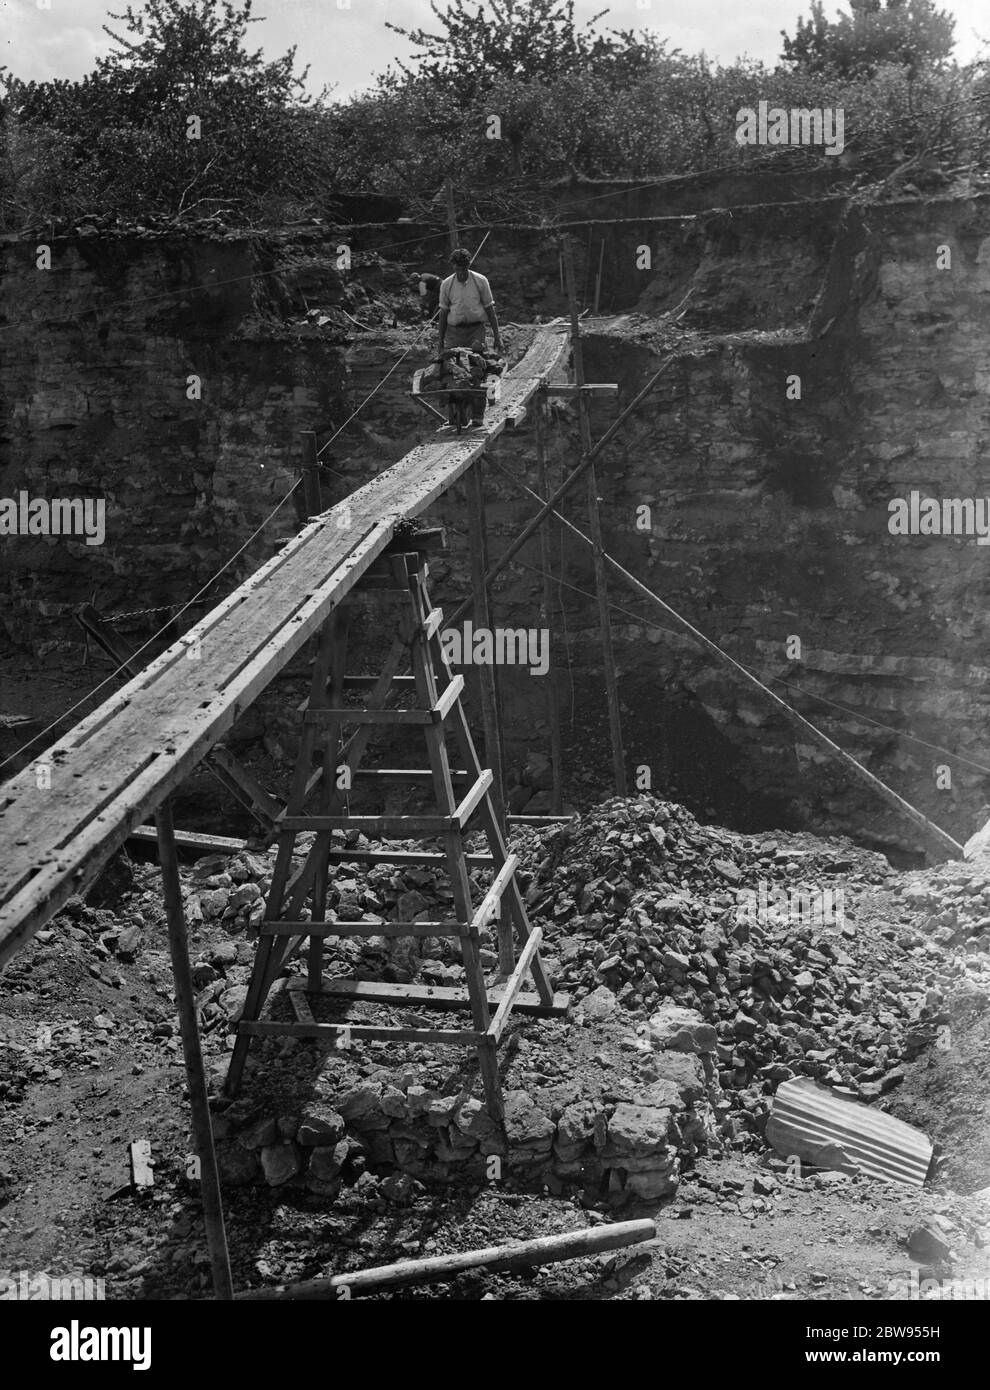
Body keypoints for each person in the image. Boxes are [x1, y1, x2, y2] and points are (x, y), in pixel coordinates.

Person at [438, 248, 503, 356]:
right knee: (455, 366)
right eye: (458, 269)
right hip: (454, 334)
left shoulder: (481, 281)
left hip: (476, 332)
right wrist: (440, 342)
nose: (461, 273)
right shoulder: (446, 284)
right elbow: (443, 313)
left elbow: (490, 309)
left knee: (479, 364)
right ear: (453, 266)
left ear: (468, 265)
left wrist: (497, 337)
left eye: (464, 269)